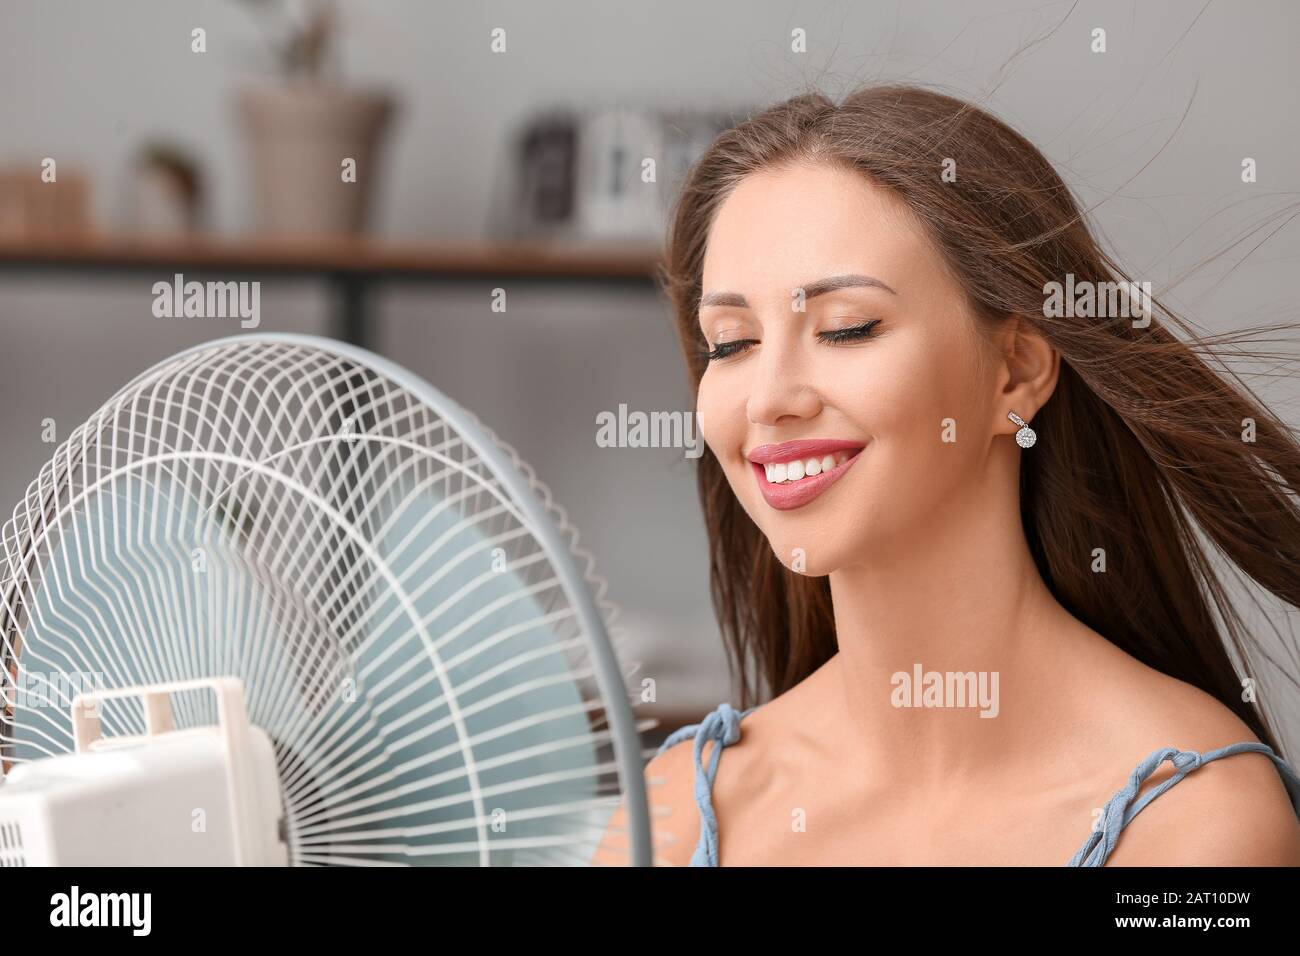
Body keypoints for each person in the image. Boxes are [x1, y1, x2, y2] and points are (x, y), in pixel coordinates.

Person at [596, 84, 1300, 866]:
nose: (768, 400)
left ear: (1015, 373)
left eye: (846, 328)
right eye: (731, 344)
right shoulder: (675, 815)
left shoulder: (1191, 826)